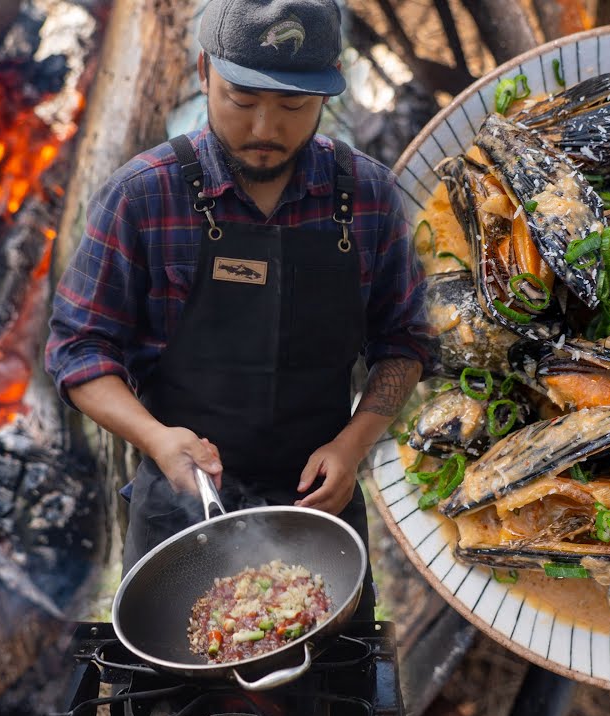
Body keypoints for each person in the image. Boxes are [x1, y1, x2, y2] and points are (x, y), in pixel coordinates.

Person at [45, 0, 428, 621]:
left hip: (318, 509)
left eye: (294, 106)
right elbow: (78, 350)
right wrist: (157, 439)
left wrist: (354, 445)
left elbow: (405, 341)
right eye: (242, 100)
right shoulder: (143, 196)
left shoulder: (369, 197)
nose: (264, 129)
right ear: (204, 72)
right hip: (179, 506)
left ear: (331, 83)